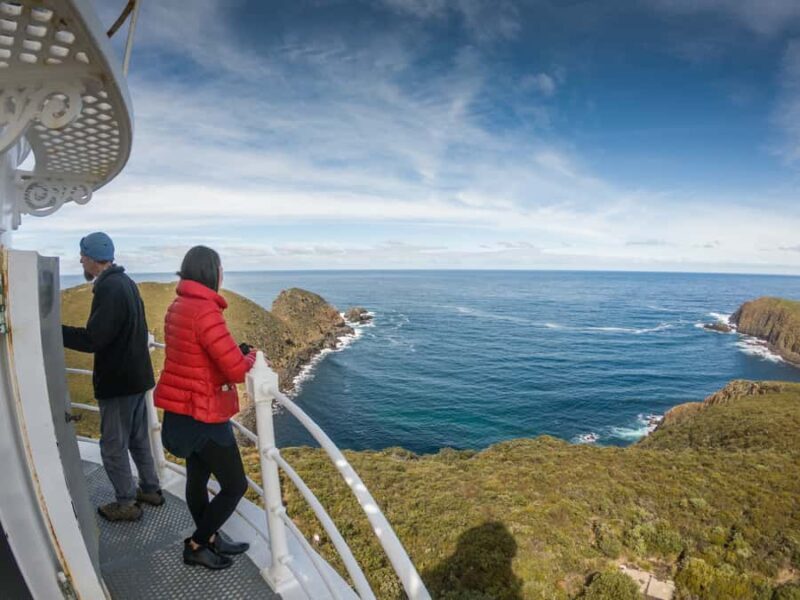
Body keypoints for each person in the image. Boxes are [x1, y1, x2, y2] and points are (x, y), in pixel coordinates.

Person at [154, 246, 256, 570]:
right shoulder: (206, 311)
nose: (223, 274)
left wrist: (233, 354)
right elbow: (237, 371)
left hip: (181, 411)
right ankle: (198, 543)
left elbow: (196, 358)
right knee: (235, 485)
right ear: (211, 272)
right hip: (204, 413)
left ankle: (210, 537)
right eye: (220, 268)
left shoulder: (178, 306)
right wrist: (251, 357)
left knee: (197, 479)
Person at [62, 232, 163, 521]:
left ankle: (126, 503)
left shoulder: (108, 288)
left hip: (118, 381)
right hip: (137, 376)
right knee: (138, 438)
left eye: (82, 254)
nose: (80, 259)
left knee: (113, 445)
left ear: (92, 259)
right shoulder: (127, 283)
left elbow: (95, 338)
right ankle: (151, 489)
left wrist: (55, 331)